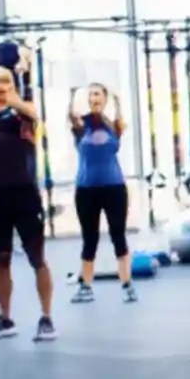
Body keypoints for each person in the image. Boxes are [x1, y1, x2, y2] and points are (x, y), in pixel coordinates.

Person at [0, 65, 55, 341]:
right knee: (1, 259)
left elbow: (34, 117)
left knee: (37, 258)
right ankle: (5, 318)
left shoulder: (22, 116)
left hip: (24, 195)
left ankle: (47, 318)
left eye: (4, 82)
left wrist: (15, 97)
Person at [69, 82, 138, 304]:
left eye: (97, 94)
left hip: (114, 188)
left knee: (118, 235)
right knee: (90, 238)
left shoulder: (113, 126)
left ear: (104, 99)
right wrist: (72, 96)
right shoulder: (82, 125)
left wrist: (118, 102)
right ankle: (85, 287)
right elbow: (71, 116)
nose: (94, 98)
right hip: (86, 189)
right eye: (90, 95)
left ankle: (127, 285)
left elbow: (120, 120)